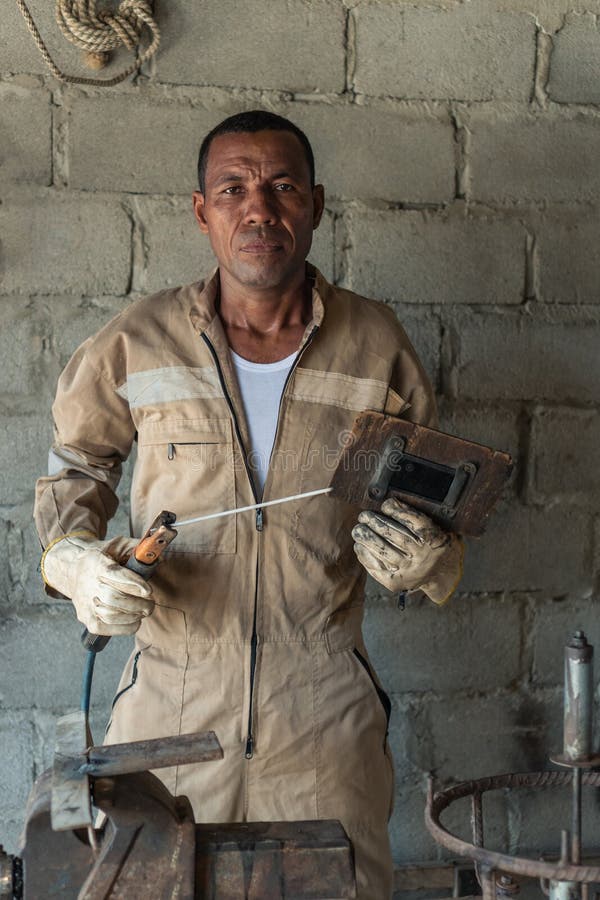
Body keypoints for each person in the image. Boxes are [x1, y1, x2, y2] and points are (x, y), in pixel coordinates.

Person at [34, 110, 463, 899]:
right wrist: (71, 560)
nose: (258, 208)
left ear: (317, 204)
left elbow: (431, 509)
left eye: (282, 186)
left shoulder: (378, 345)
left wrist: (432, 560)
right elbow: (75, 468)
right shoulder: (141, 339)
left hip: (324, 717)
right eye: (232, 188)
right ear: (203, 211)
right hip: (169, 711)